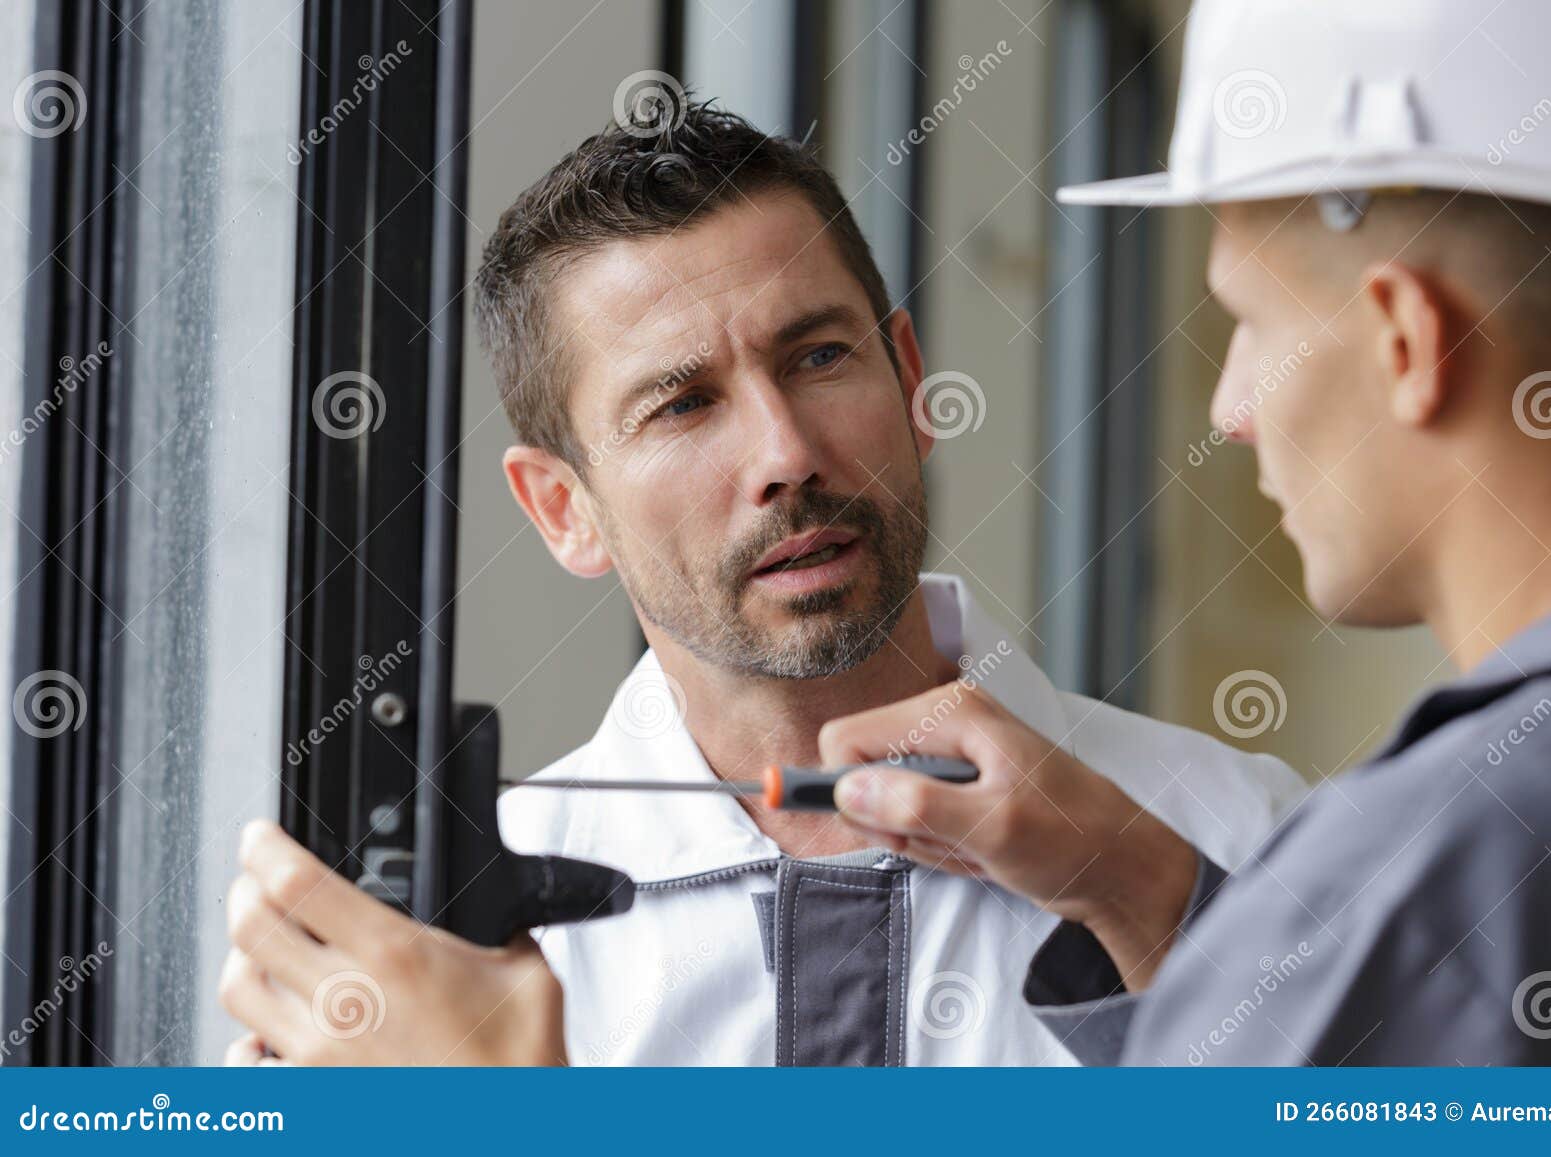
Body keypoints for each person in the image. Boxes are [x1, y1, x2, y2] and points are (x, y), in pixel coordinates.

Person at [218, 98, 1306, 1066]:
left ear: (911, 378)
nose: (785, 451)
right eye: (683, 404)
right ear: (564, 509)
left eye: (819, 357)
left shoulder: (1241, 841)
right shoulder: (431, 967)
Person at [824, 0, 1551, 1064]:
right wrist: (1142, 886)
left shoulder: (1434, 877)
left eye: (1250, 320)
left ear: (1404, 337)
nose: (1229, 408)